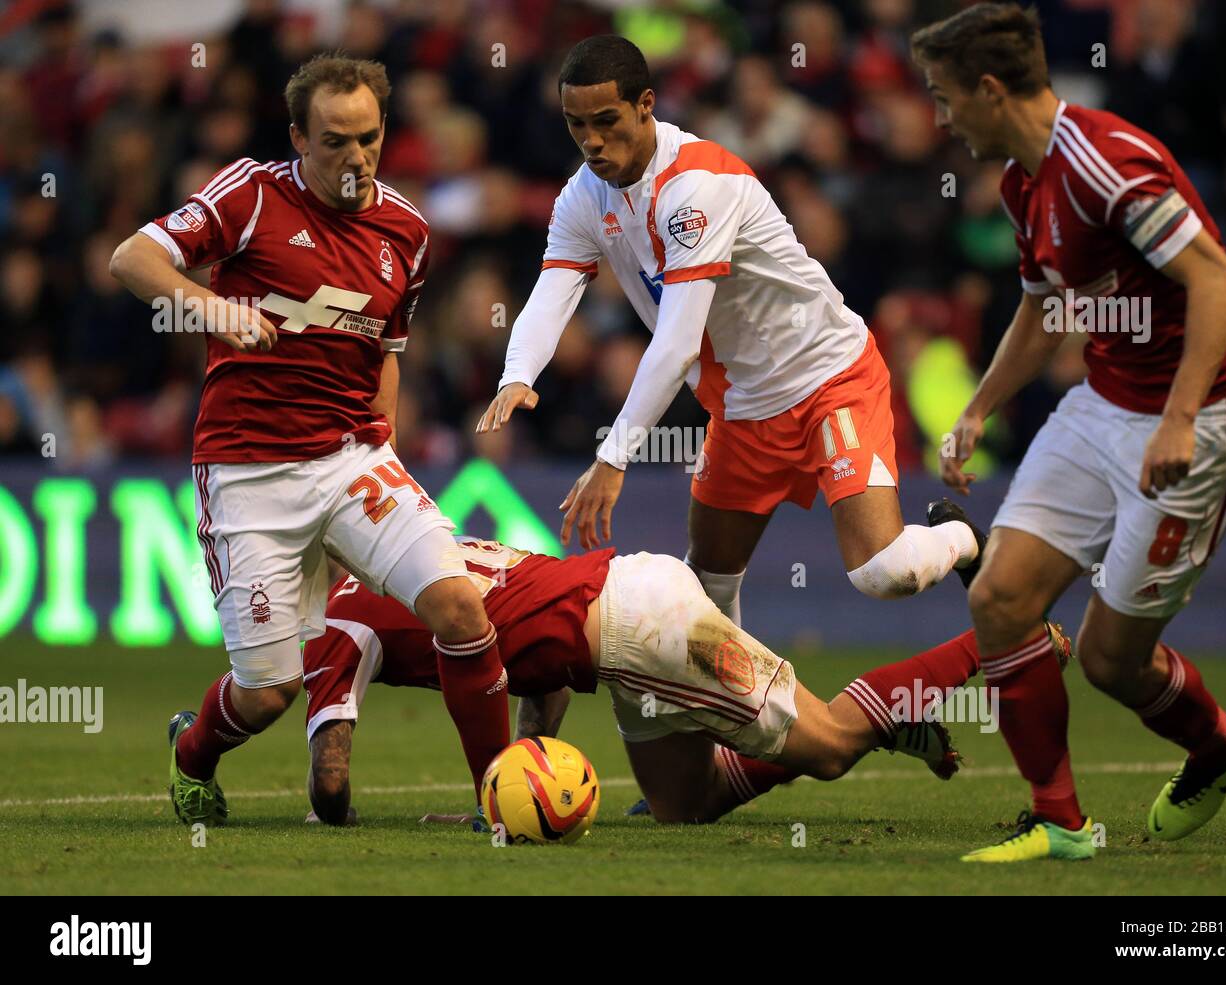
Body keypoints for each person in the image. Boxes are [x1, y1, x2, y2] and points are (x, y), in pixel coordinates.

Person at [911, 3, 1226, 861]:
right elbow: (1044, 313)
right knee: (998, 598)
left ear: (991, 90)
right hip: (1102, 403)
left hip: (1202, 419)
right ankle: (1060, 823)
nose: (943, 117)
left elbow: (1219, 285)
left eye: (946, 97)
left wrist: (1180, 417)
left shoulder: (1108, 167)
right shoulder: (1020, 182)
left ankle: (1218, 743)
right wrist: (978, 407)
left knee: (1113, 662)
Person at [109, 54, 510, 826]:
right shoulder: (252, 194)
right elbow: (133, 258)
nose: (354, 157)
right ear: (298, 136)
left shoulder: (409, 231)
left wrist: (382, 444)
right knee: (268, 691)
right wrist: (211, 308)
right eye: (332, 141)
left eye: (367, 138)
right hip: (248, 468)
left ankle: (498, 799)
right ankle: (192, 751)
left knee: (463, 609)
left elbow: (387, 351)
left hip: (351, 460)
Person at [478, 35, 982, 636]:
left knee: (881, 573)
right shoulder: (583, 195)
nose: (590, 141)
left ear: (646, 104)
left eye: (606, 121)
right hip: (743, 409)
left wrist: (615, 456)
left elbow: (677, 342)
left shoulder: (697, 185)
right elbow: (553, 290)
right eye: (575, 124)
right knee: (708, 597)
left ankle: (962, 536)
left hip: (827, 379)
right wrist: (517, 374)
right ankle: (740, 724)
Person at [299, 537, 1055, 827]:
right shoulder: (422, 549)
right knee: (682, 805)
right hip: (626, 609)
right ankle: (890, 719)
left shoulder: (342, 614)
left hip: (645, 629)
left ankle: (1004, 643)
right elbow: (536, 669)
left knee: (827, 747)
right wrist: (512, 783)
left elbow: (330, 781)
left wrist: (490, 807)